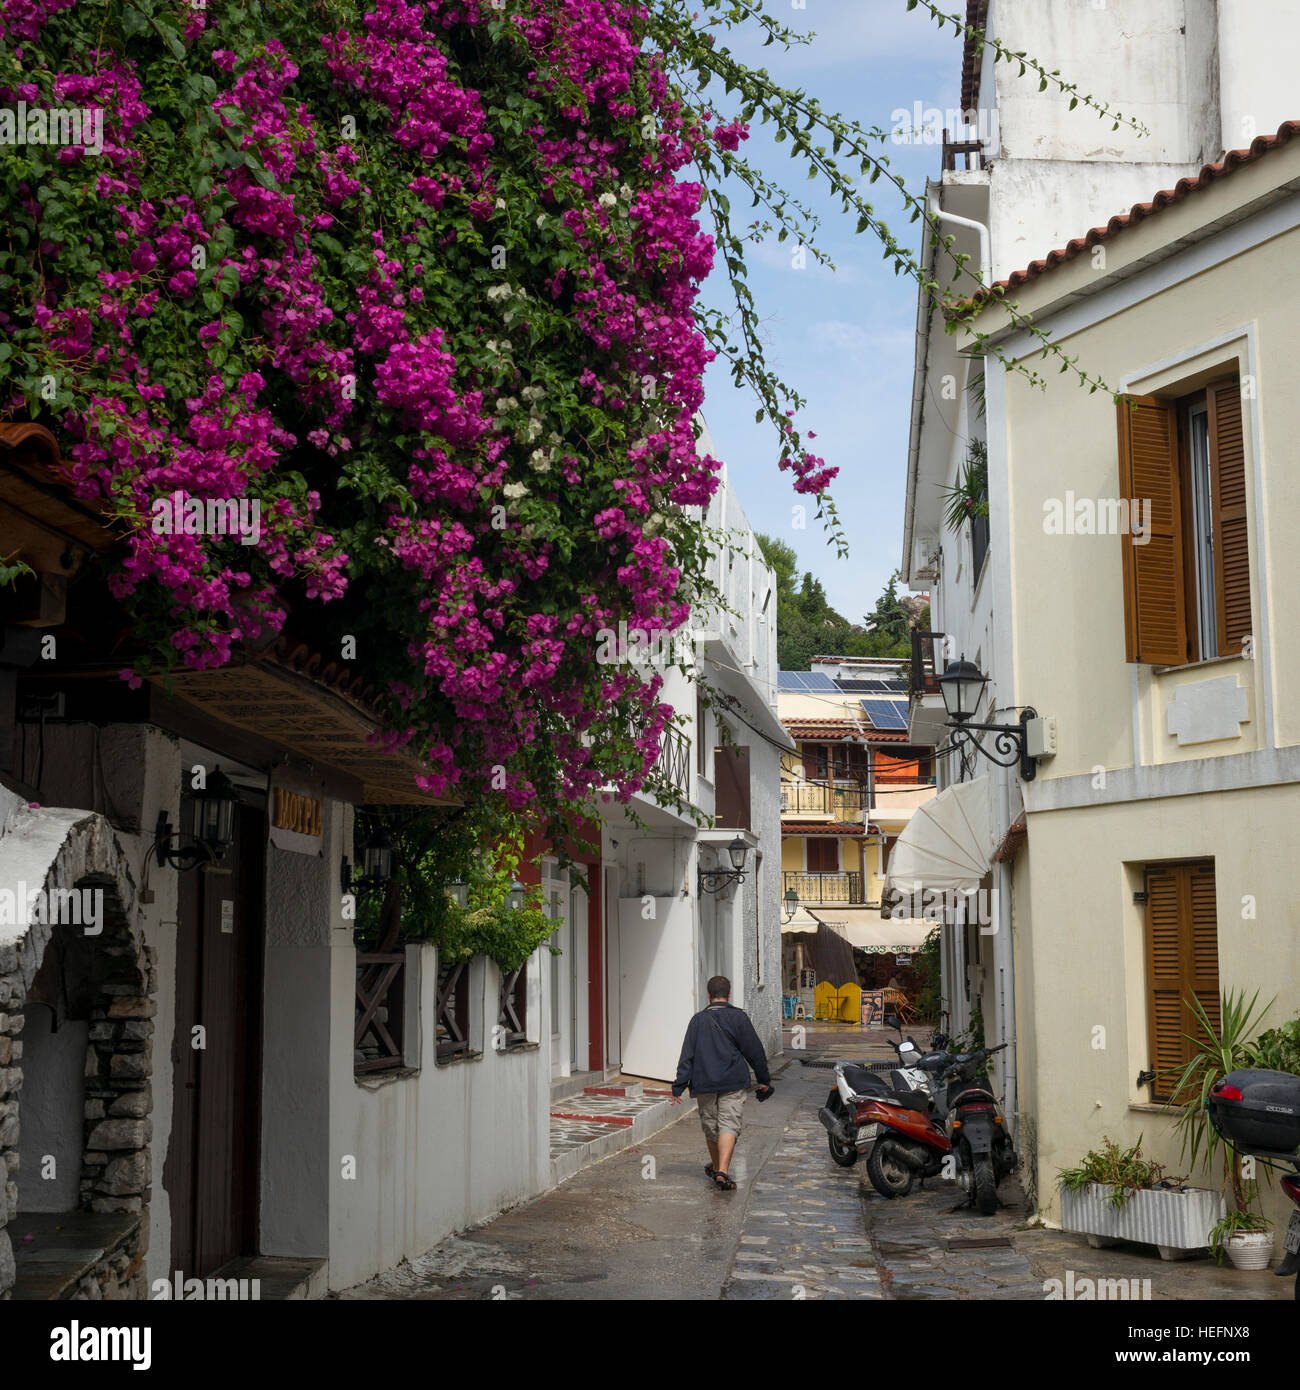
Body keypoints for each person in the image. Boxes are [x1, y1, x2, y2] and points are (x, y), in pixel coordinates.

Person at [670, 976, 773, 1191]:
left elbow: (687, 1055)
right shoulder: (739, 1018)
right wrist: (764, 1079)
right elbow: (754, 1051)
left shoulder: (697, 1020)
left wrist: (678, 1086)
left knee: (711, 1126)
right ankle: (722, 1172)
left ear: (708, 994)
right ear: (729, 993)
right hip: (733, 1080)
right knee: (729, 1123)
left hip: (704, 1081)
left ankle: (717, 1167)